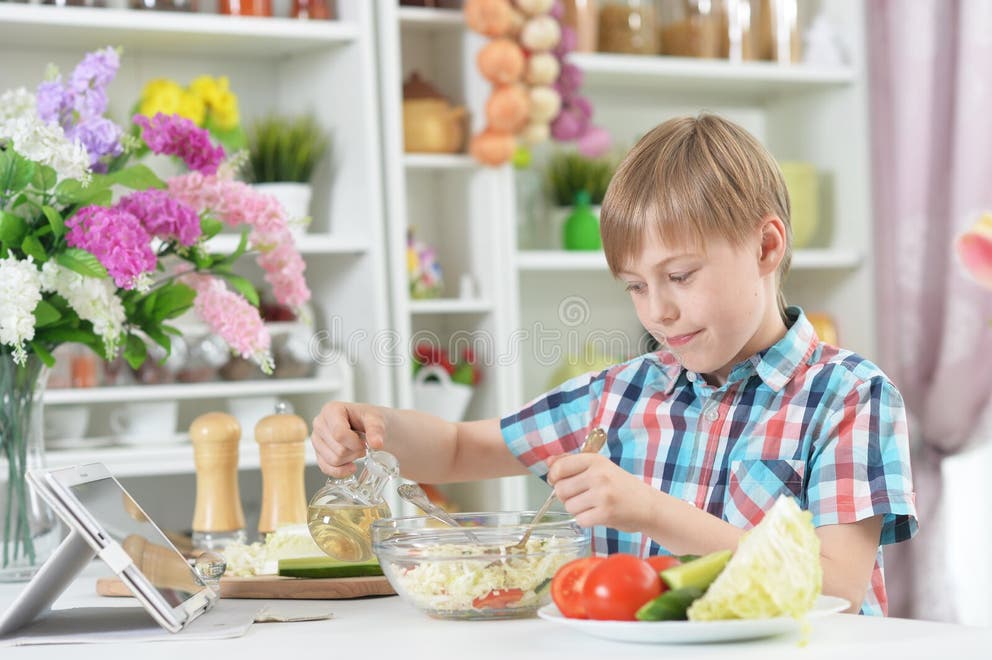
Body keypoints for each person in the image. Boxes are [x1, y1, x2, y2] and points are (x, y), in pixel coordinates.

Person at [311, 113, 918, 616]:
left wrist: (649, 511)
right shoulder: (620, 396)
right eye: (635, 286)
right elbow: (456, 449)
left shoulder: (848, 396)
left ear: (766, 246)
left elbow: (837, 584)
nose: (660, 311)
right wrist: (373, 428)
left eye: (679, 276)